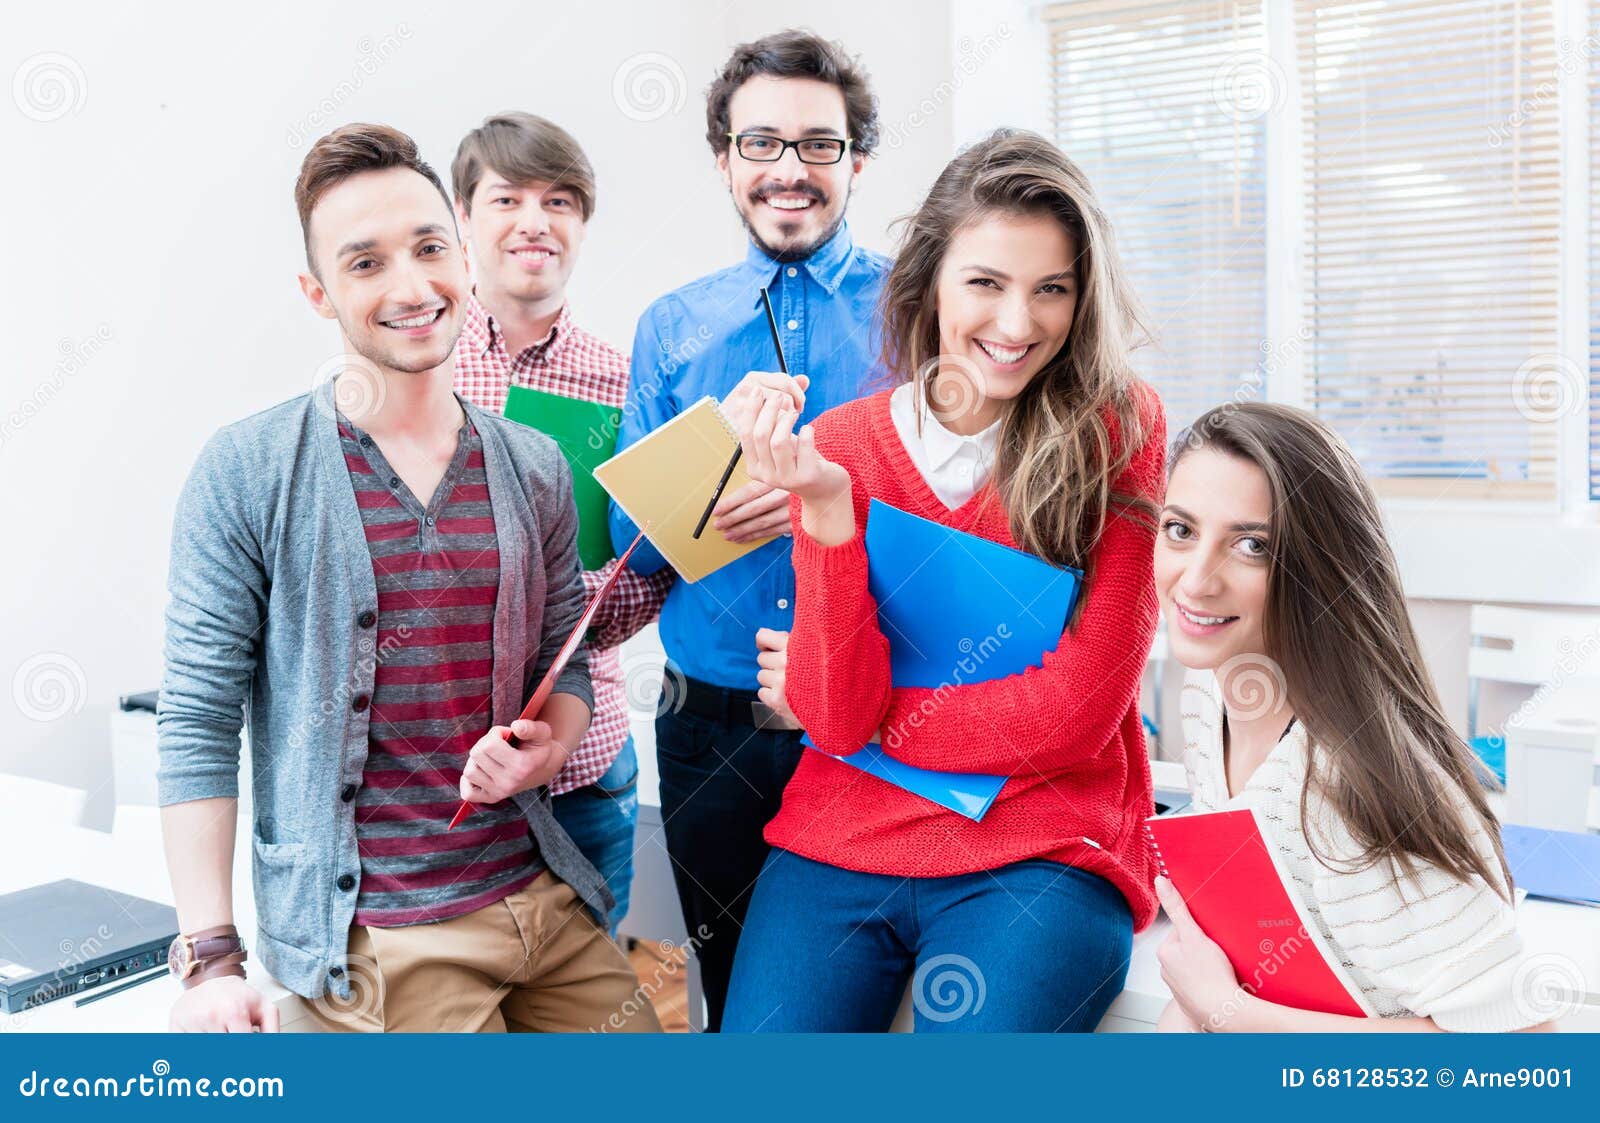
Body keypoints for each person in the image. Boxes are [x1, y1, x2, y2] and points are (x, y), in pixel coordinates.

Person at [157, 122, 658, 1033]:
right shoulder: (248, 470)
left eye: (429, 249)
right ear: (318, 293)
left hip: (542, 895)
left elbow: (566, 660)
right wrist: (211, 958)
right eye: (366, 263)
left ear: (463, 256)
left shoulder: (535, 463)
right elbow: (197, 717)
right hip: (378, 936)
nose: (412, 287)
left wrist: (548, 745)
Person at [721, 129, 1167, 1032]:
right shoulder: (840, 447)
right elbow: (833, 721)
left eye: (1052, 290)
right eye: (986, 283)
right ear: (930, 282)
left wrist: (872, 719)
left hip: (1041, 845)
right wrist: (828, 512)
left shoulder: (1119, 429)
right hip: (842, 835)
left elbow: (1078, 712)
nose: (1018, 324)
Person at [608, 29, 890, 1030]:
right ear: (724, 161)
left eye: (818, 144)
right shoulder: (671, 326)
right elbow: (632, 545)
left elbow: (960, 508)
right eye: (761, 143)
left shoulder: (921, 309)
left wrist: (833, 507)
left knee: (859, 1015)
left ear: (857, 160)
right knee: (733, 1004)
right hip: (709, 732)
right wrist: (706, 497)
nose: (788, 169)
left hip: (868, 725)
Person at [1150, 401, 1553, 1033]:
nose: (1196, 580)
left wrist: (1231, 1014)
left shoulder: (1346, 783)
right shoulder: (1208, 694)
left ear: (1319, 572)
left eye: (1252, 546)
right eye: (1180, 530)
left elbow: (1525, 1054)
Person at [451, 111, 673, 932]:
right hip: (438, 770)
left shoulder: (625, 383)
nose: (535, 222)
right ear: (463, 216)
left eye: (560, 202)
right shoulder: (416, 368)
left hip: (584, 771)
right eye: (507, 199)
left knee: (588, 995)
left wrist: (551, 611)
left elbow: (646, 571)